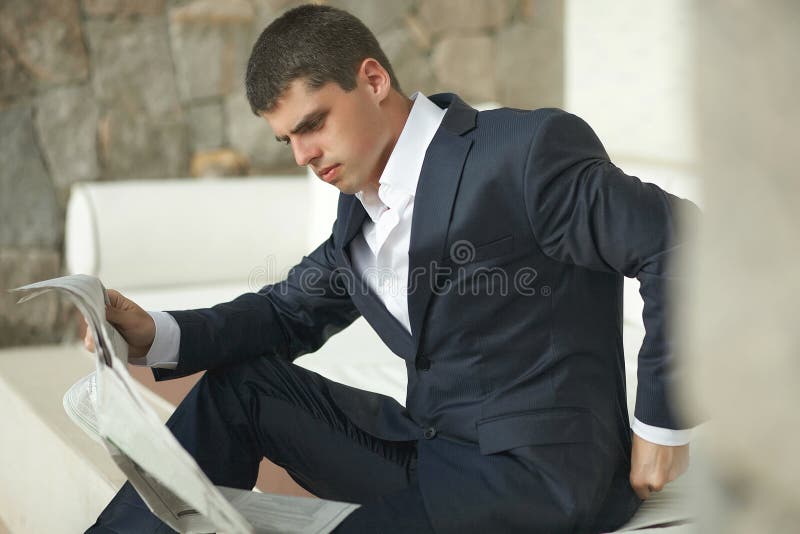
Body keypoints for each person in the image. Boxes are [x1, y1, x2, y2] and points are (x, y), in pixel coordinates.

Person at [87, 4, 696, 533]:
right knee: (240, 390)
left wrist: (661, 425)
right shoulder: (358, 217)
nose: (303, 155)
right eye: (288, 141)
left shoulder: (521, 152)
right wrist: (155, 332)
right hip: (431, 456)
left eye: (312, 124)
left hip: (539, 478)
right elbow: (284, 310)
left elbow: (677, 241)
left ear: (372, 80)